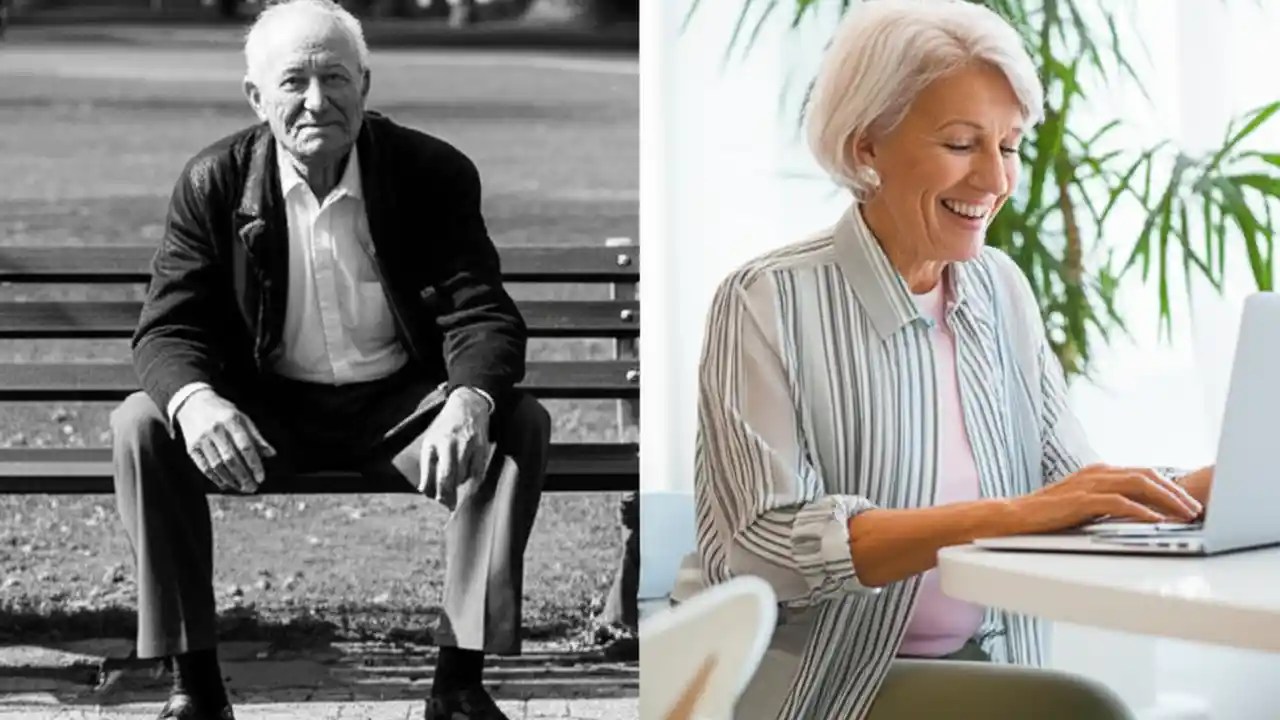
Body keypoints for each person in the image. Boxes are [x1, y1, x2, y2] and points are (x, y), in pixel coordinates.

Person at [680, 1, 1215, 719]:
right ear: (868, 146)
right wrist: (1009, 515)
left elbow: (1068, 490)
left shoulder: (1001, 289)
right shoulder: (767, 298)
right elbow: (764, 546)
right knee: (1085, 711)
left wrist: (1213, 486)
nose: (994, 179)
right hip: (822, 678)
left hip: (989, 659)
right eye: (962, 143)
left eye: (1012, 145)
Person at [109, 1, 549, 718]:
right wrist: (198, 401)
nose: (318, 101)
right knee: (143, 425)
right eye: (293, 82)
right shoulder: (212, 181)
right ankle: (195, 688)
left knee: (513, 422)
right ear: (257, 97)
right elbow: (166, 329)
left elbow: (482, 313)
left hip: (397, 409)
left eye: (336, 79)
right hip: (267, 413)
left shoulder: (431, 172)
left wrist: (469, 399)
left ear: (365, 85)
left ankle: (459, 686)